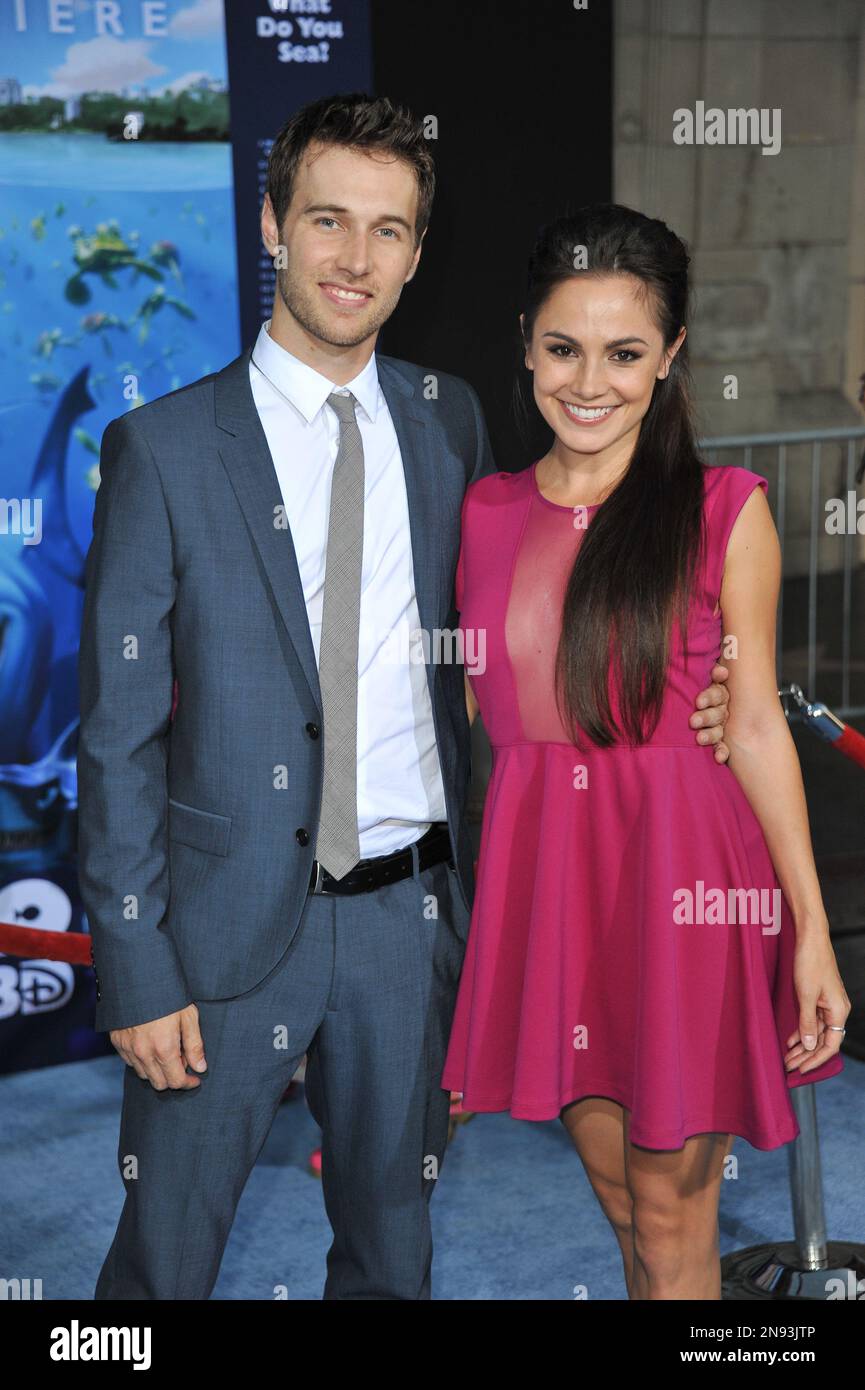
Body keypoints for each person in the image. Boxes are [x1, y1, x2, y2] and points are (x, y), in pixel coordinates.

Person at [78, 98, 730, 1301]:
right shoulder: (161, 448)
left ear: (417, 255)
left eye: (388, 230)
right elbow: (117, 730)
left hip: (407, 927)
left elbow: (535, 616)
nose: (354, 257)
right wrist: (135, 961)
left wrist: (699, 686)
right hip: (220, 935)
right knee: (157, 1272)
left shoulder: (449, 423)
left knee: (390, 1260)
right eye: (327, 219)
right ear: (272, 224)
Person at [440, 204, 850, 1301]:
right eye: (563, 348)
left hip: (688, 890)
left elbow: (754, 721)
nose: (590, 381)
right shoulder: (480, 511)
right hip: (553, 894)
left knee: (671, 1217)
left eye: (626, 353)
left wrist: (808, 929)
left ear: (670, 359)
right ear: (525, 339)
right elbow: (488, 722)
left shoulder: (725, 510)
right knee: (620, 1200)